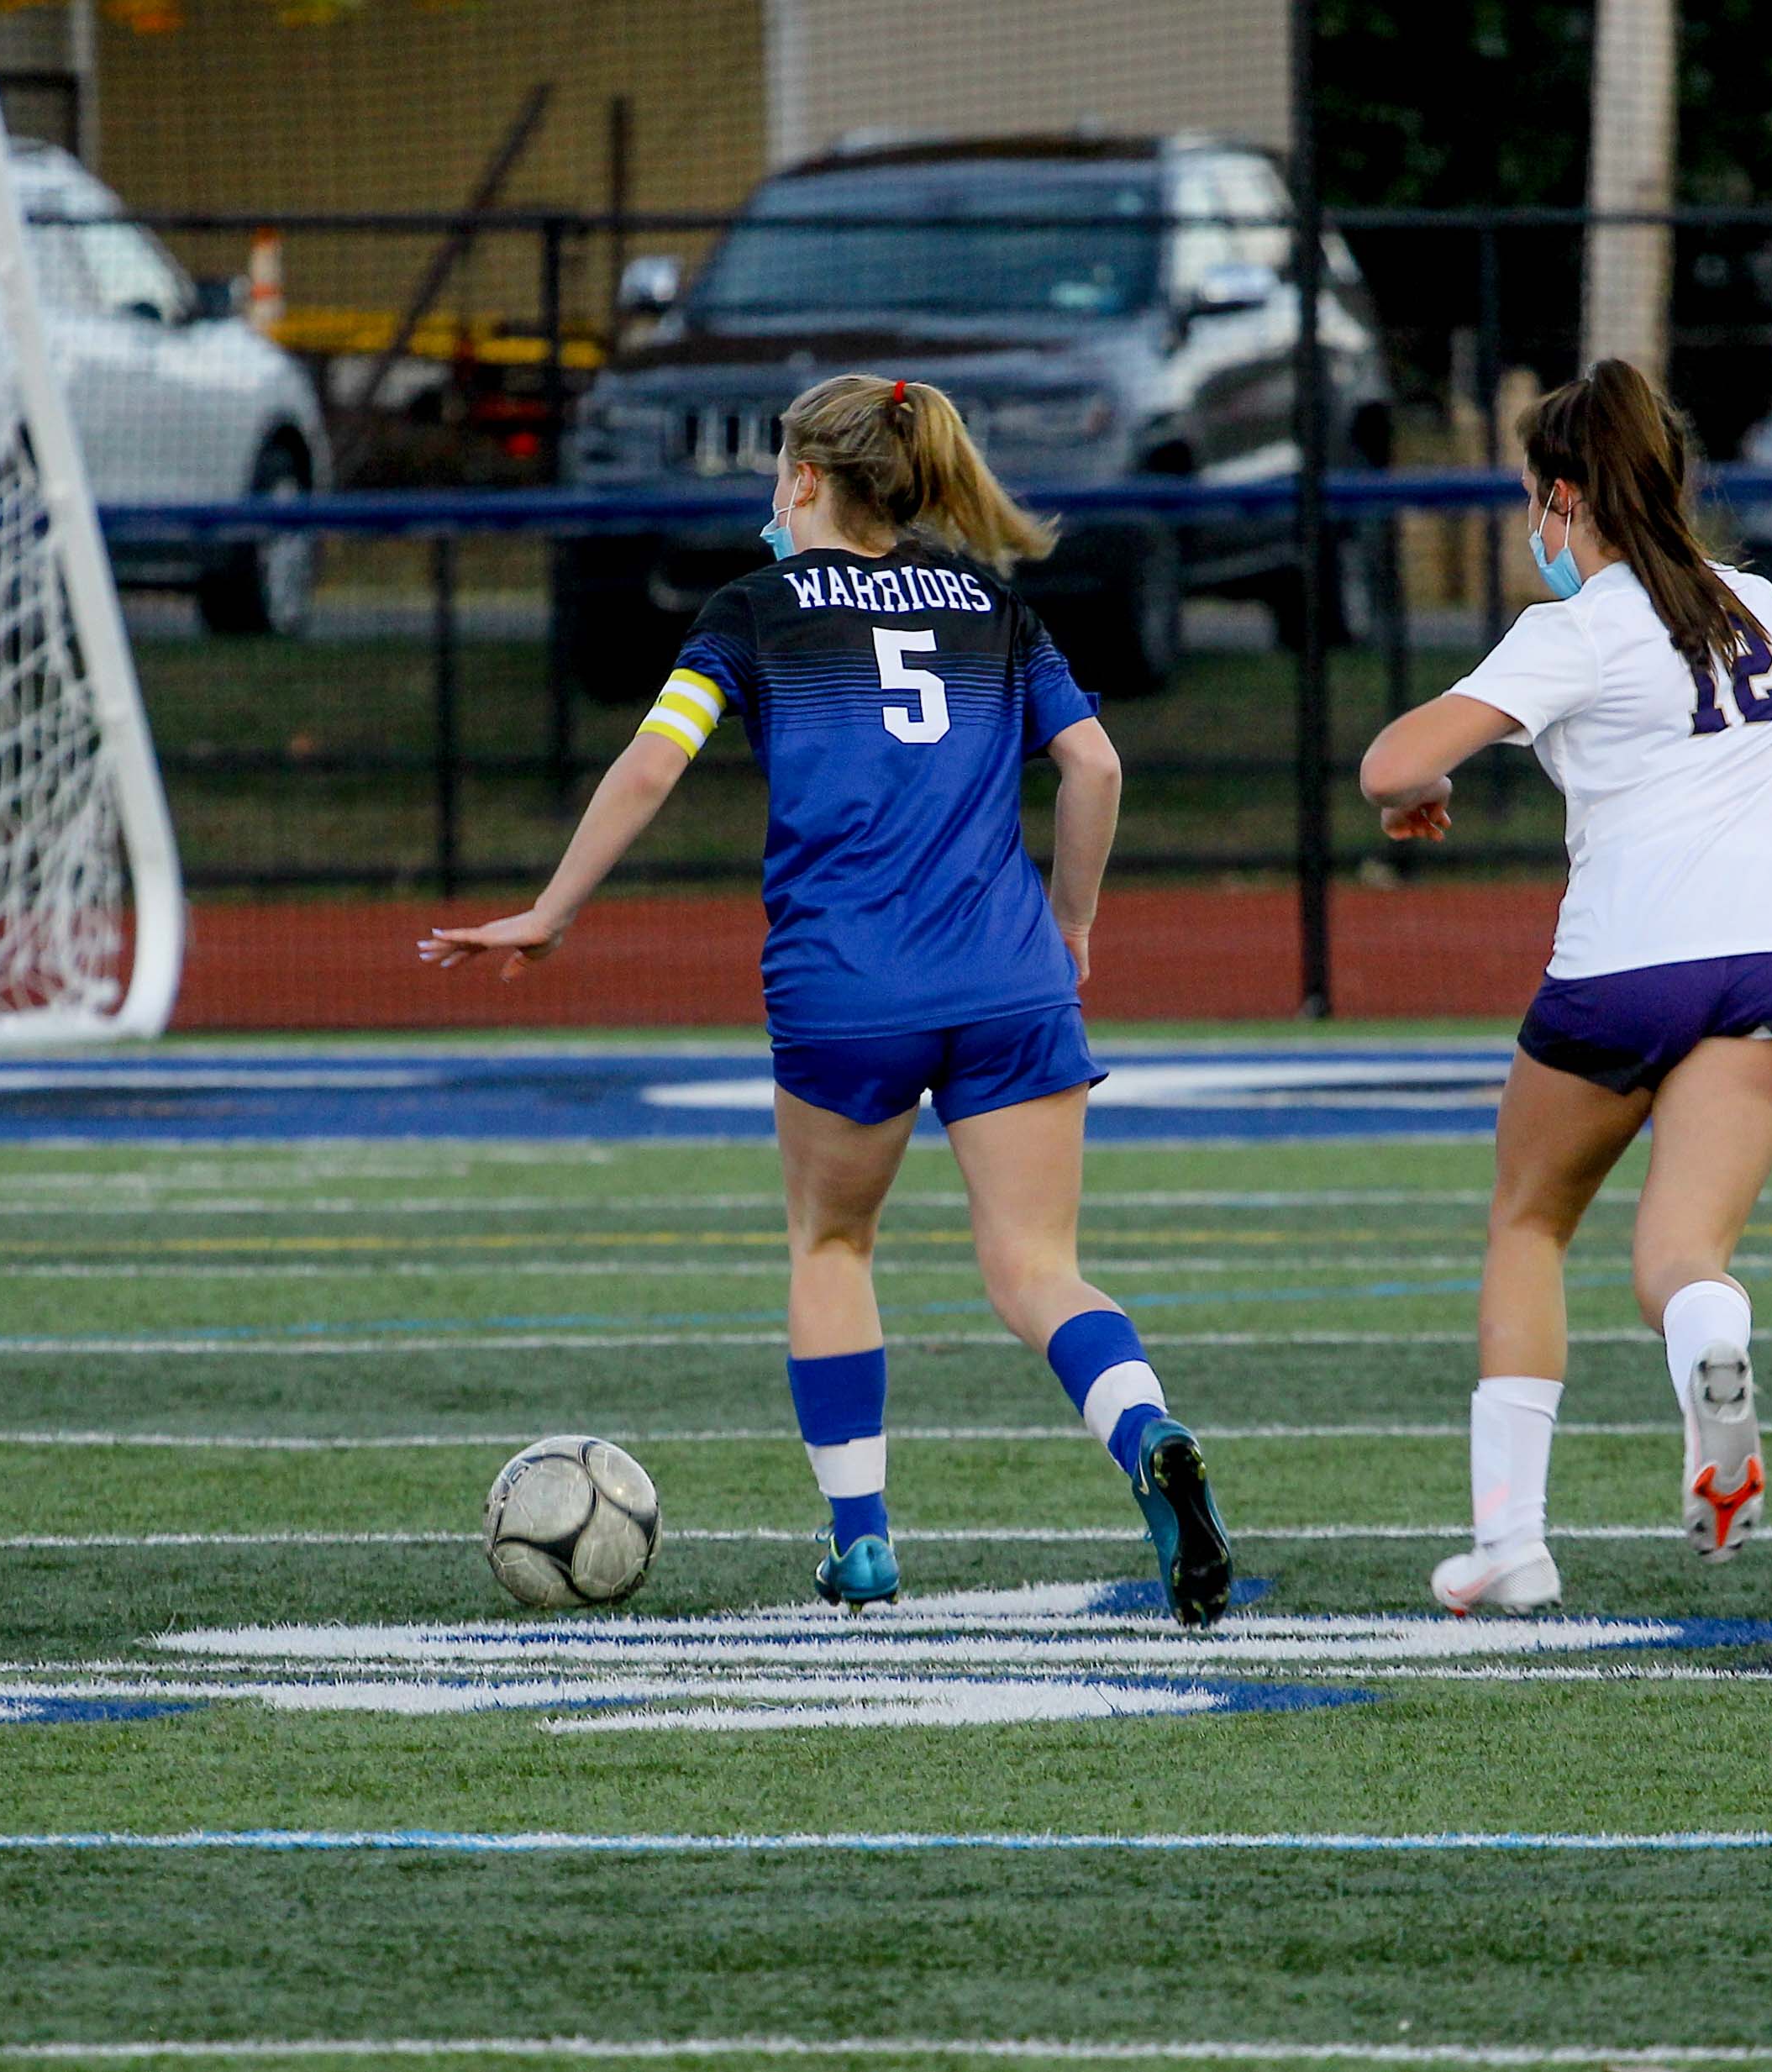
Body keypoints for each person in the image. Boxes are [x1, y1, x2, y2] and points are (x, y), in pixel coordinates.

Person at [424, 374, 1232, 1628]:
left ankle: (863, 1544)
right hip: (1007, 974)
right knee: (1036, 1269)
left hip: (847, 985)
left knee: (832, 1243)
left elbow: (651, 763)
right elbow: (1093, 763)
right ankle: (1146, 1432)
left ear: (804, 478)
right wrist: (1068, 919)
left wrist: (553, 906)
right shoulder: (989, 607)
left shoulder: (753, 612)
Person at [1359, 358, 1772, 1615]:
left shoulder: (1576, 623)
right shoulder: (1760, 605)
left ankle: (1510, 1544)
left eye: (1530, 503)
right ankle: (1712, 1346)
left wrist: (1420, 789)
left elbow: (1388, 760)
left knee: (1528, 1222)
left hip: (1629, 960)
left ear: (1563, 500)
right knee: (1681, 1249)